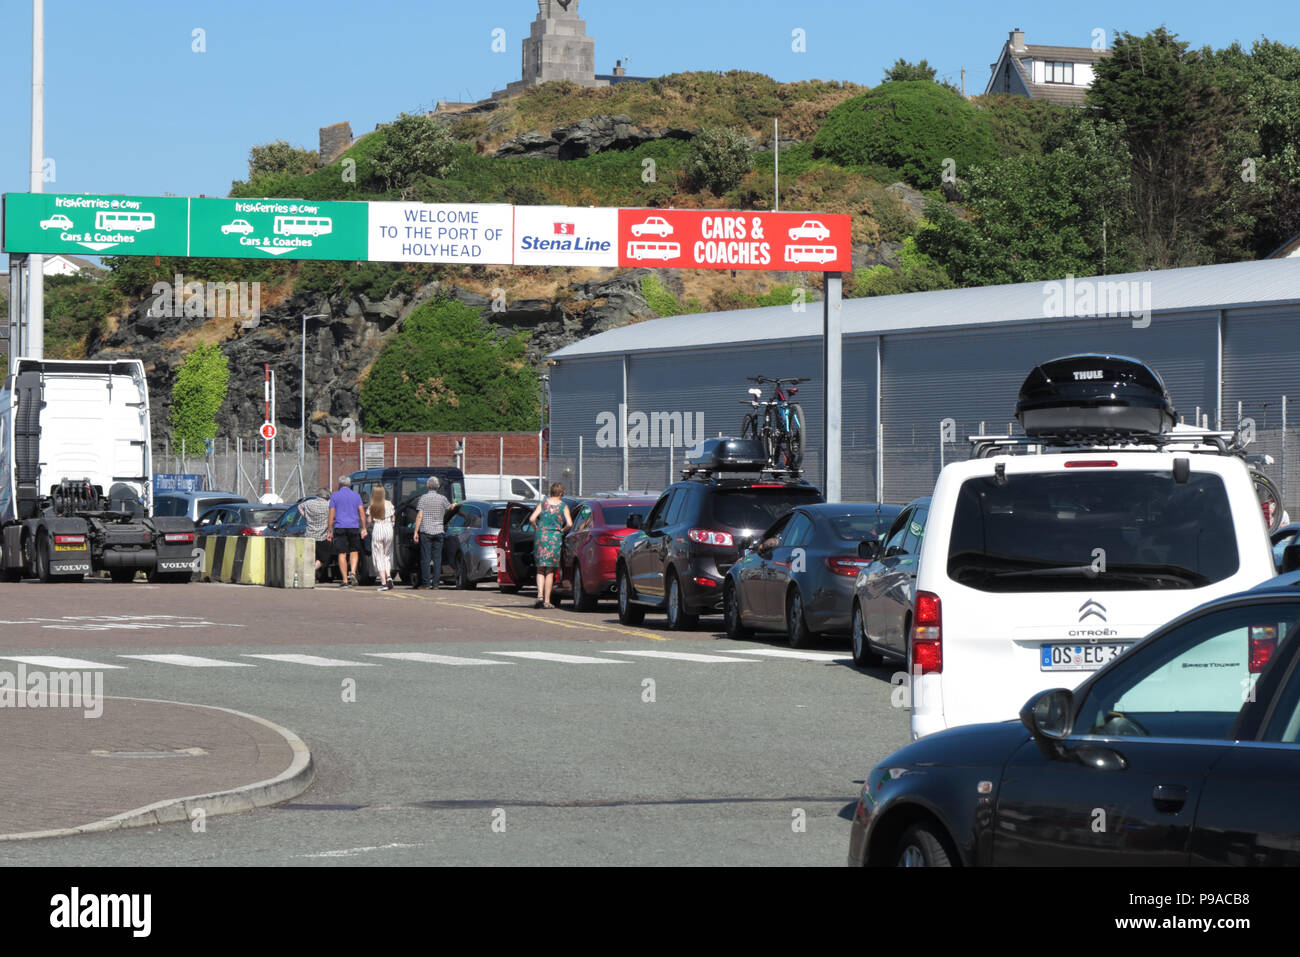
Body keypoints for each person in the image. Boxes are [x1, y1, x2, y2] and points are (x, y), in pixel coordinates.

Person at [528, 483, 572, 609]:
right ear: (561, 493)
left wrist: (537, 528)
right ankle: (547, 601)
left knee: (540, 568)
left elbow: (532, 519)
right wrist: (561, 530)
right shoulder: (563, 506)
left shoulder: (543, 504)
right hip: (554, 537)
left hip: (541, 536)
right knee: (550, 570)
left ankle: (539, 596)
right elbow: (569, 523)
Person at [412, 476, 461, 589]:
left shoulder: (423, 498)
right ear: (438, 486)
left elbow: (419, 515)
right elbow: (450, 508)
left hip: (426, 531)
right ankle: (436, 584)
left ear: (427, 486)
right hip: (439, 531)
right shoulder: (443, 499)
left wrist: (416, 531)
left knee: (426, 558)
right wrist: (455, 504)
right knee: (437, 558)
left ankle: (426, 583)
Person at [327, 475, 367, 587]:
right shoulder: (356, 496)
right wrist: (363, 527)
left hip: (340, 526)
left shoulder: (334, 496)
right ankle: (353, 573)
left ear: (340, 484)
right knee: (354, 550)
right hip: (354, 526)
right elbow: (362, 513)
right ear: (350, 485)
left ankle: (345, 580)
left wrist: (329, 530)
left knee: (342, 553)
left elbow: (331, 514)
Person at [300, 488, 332, 580]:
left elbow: (299, 507)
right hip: (322, 535)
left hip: (309, 534)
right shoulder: (328, 505)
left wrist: (305, 515)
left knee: (309, 556)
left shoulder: (309, 503)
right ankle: (311, 570)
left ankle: (307, 571)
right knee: (324, 558)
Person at [369, 486, 396, 590]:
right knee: (387, 555)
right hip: (388, 529)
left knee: (378, 556)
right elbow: (393, 518)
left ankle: (383, 583)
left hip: (378, 529)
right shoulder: (389, 504)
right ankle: (389, 576)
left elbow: (369, 520)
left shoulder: (372, 505)